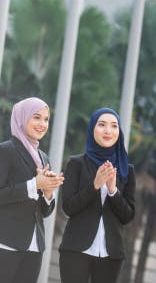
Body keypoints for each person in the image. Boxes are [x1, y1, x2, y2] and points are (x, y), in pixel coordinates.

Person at [58, 107, 136, 282]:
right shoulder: (76, 163)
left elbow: (128, 216)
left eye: (114, 126)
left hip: (111, 253)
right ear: (92, 128)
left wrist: (112, 190)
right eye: (102, 125)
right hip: (76, 249)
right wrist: (94, 186)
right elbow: (68, 207)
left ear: (119, 131)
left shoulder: (127, 170)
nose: (108, 131)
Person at [0, 97, 63, 282]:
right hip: (6, 243)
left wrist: (48, 193)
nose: (42, 124)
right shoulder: (6, 151)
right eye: (36, 117)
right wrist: (34, 185)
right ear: (22, 117)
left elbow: (43, 212)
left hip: (35, 246)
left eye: (46, 119)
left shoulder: (43, 157)